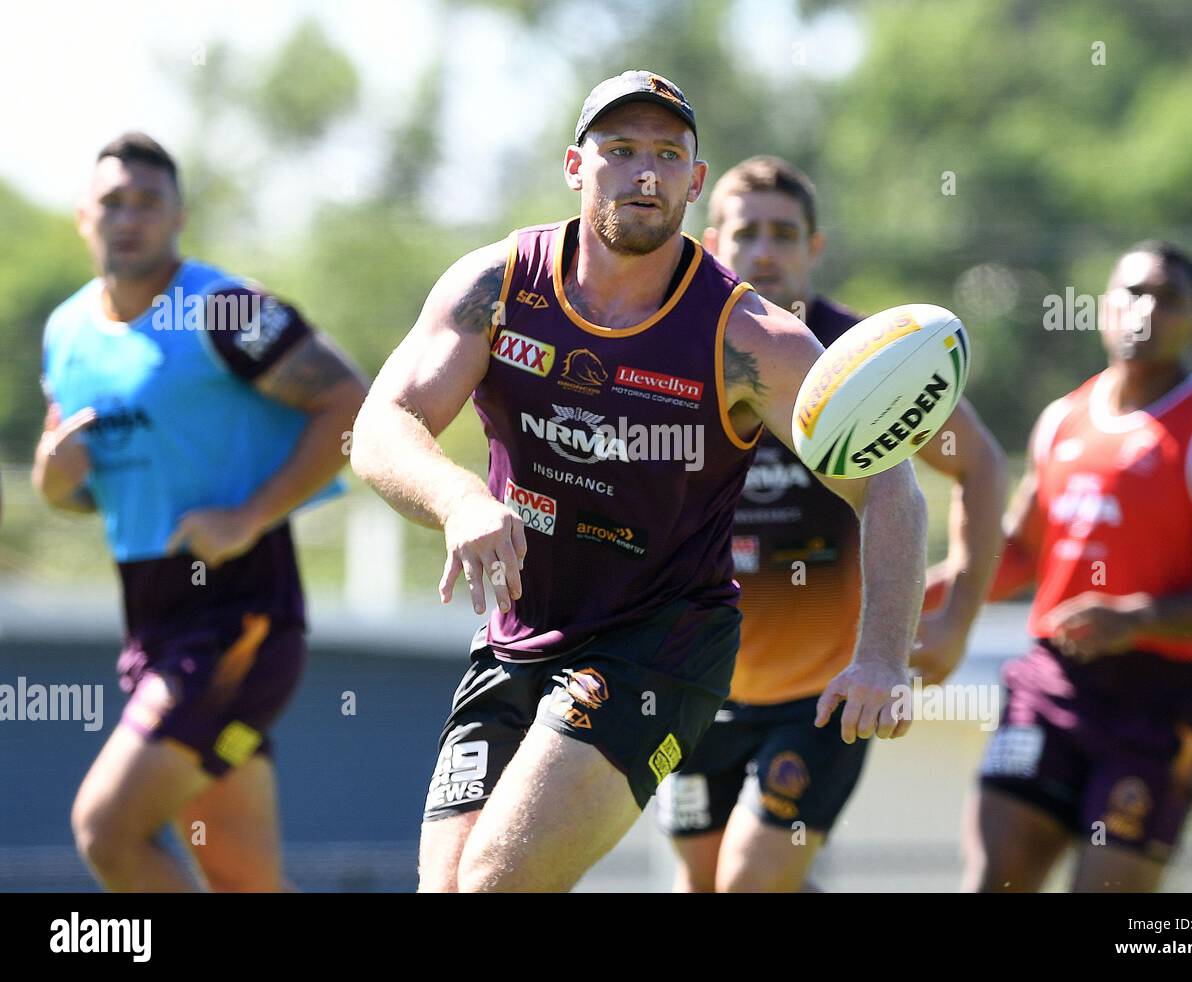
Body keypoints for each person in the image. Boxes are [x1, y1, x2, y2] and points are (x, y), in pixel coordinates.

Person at [349, 71, 928, 893]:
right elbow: (381, 424)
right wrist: (460, 498)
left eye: (667, 154)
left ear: (695, 181)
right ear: (576, 167)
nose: (644, 173)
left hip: (660, 642)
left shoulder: (750, 335)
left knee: (492, 886)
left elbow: (890, 487)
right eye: (620, 150)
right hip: (518, 633)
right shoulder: (498, 285)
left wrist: (881, 657)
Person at [655, 155, 1008, 891]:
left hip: (823, 693)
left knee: (751, 881)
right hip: (693, 687)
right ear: (713, 239)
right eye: (746, 232)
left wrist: (956, 623)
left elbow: (980, 465)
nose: (765, 251)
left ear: (814, 248)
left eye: (784, 233)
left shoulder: (870, 363)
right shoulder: (673, 354)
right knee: (707, 885)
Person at [35, 132, 368, 891]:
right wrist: (55, 483)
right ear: (84, 215)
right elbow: (64, 483)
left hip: (235, 620)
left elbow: (351, 404)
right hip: (151, 620)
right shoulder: (66, 332)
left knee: (107, 831)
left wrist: (249, 515)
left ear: (178, 214)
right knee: (245, 885)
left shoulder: (223, 310)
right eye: (112, 203)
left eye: (147, 202)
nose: (129, 218)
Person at [956, 241, 1192, 892]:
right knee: (995, 881)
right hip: (1052, 682)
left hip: (1158, 700)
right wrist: (922, 591)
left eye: (1169, 300)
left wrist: (1138, 619)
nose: (1146, 311)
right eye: (1133, 293)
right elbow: (1019, 553)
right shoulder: (1061, 420)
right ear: (1103, 308)